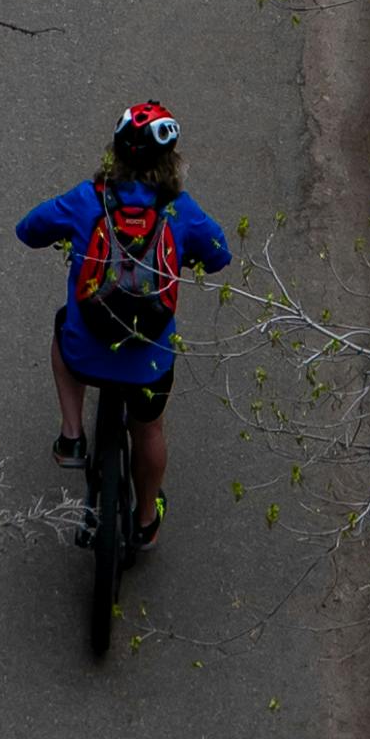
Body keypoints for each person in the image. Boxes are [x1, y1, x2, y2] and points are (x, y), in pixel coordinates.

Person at [16, 103, 231, 556]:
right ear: (170, 159)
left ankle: (72, 436)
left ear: (115, 153)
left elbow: (28, 230)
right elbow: (219, 255)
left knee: (62, 329)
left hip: (86, 350)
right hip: (148, 361)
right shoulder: (180, 210)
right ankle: (147, 520)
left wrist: (65, 235)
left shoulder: (88, 199)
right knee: (148, 428)